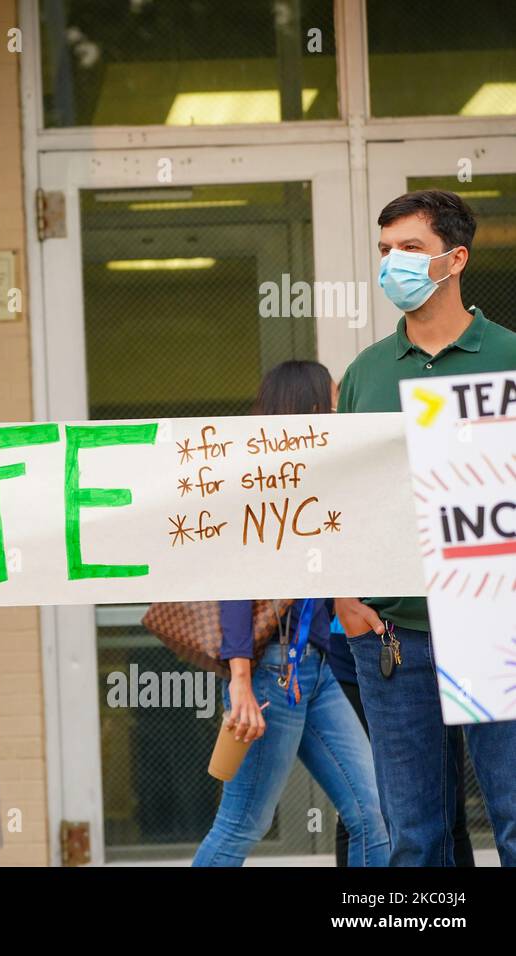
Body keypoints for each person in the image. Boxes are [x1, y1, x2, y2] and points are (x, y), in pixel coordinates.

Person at [334, 189, 516, 866]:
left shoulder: (508, 357)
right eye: (384, 251)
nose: (392, 265)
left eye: (410, 249)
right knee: (417, 840)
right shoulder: (365, 374)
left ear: (454, 259)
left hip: (500, 628)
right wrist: (346, 601)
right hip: (394, 639)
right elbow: (340, 500)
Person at [193, 361, 389, 867]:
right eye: (333, 398)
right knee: (241, 825)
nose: (341, 408)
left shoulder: (315, 477)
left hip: (313, 670)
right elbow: (234, 581)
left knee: (372, 814)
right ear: (308, 407)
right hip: (270, 673)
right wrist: (239, 679)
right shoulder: (259, 482)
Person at [329, 612, 474, 867]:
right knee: (370, 813)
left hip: (468, 628)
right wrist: (345, 603)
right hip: (370, 649)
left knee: (452, 810)